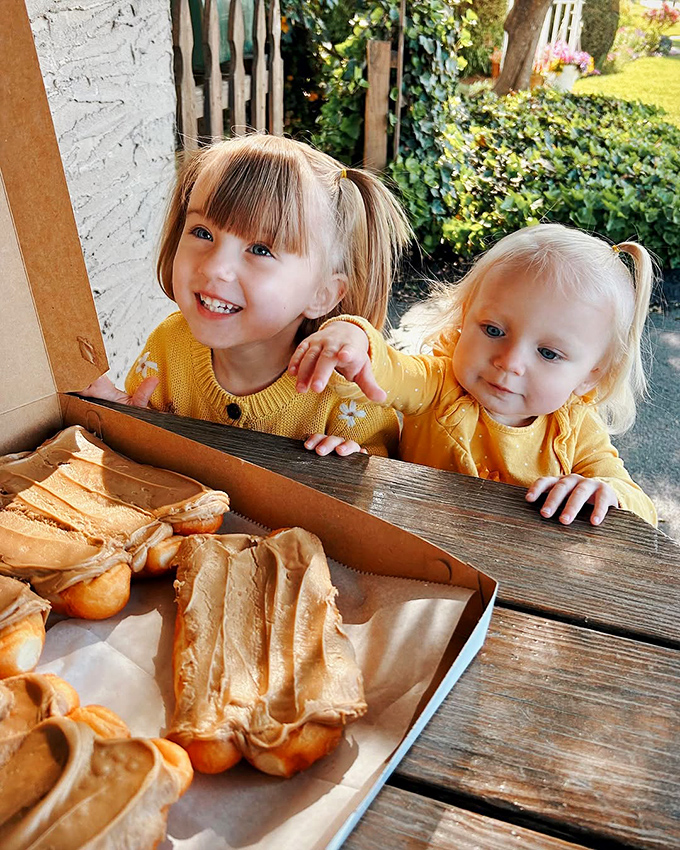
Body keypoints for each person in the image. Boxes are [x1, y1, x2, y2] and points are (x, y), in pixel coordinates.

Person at [289, 223, 657, 526]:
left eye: (548, 353)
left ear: (591, 375)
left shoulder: (575, 429)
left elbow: (642, 511)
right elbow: (388, 372)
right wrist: (355, 338)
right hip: (415, 546)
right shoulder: (439, 384)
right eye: (493, 330)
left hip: (525, 581)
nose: (509, 361)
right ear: (465, 318)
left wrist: (605, 493)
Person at [84, 133, 411, 457]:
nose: (215, 268)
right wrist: (130, 419)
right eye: (203, 232)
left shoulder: (344, 392)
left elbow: (380, 476)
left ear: (322, 294)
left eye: (260, 249)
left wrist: (354, 460)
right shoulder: (167, 346)